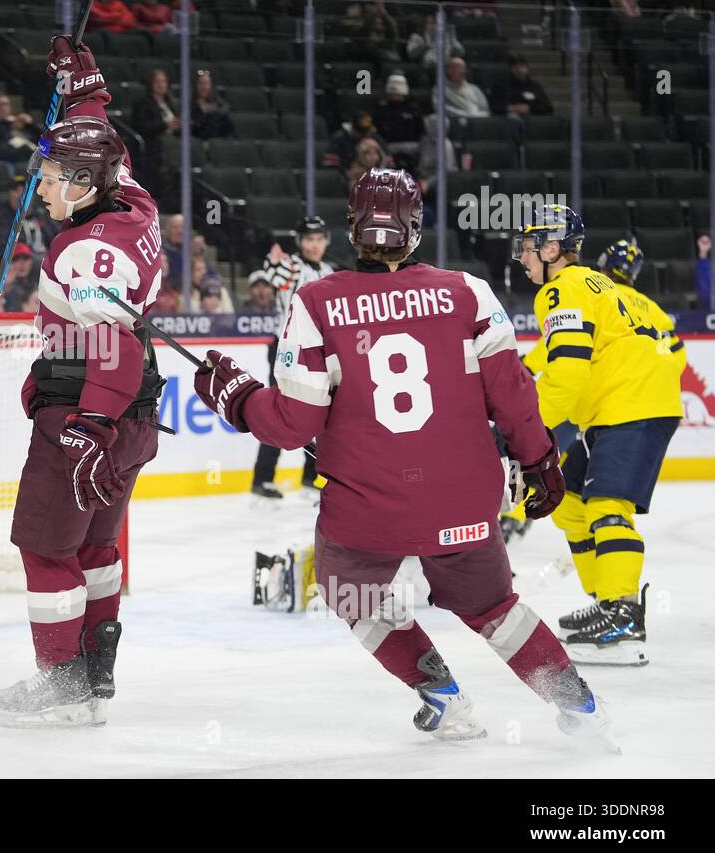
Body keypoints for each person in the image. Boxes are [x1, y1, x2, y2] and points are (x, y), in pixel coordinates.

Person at [195, 169, 613, 746]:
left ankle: (442, 694)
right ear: (415, 229)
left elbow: (293, 425)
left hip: (368, 508)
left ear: (352, 227)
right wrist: (541, 461)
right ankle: (581, 707)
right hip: (465, 497)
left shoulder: (316, 302)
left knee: (348, 590)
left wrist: (236, 396)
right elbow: (515, 397)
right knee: (494, 605)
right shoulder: (469, 290)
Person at [0, 36, 164, 728]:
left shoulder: (87, 251)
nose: (43, 184)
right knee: (94, 547)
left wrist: (88, 426)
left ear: (86, 184)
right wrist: (86, 88)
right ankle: (95, 670)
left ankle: (61, 679)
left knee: (46, 546)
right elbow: (105, 147)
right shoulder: (134, 203)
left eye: (54, 175)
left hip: (84, 416)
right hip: (132, 419)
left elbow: (113, 348)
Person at [512, 209, 683, 667]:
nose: (521, 258)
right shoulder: (600, 286)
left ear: (552, 250)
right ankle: (608, 601)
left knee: (608, 505)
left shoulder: (561, 289)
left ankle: (624, 615)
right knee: (568, 501)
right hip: (623, 405)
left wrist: (520, 431)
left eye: (528, 249)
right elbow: (674, 355)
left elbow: (563, 376)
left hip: (630, 406)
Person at [250, 217, 336, 501]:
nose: (314, 244)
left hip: (317, 351)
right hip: (287, 351)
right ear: (300, 241)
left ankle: (312, 474)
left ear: (326, 241)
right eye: (309, 239)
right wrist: (274, 256)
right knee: (280, 411)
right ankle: (263, 477)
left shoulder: (327, 271)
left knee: (321, 410)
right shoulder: (293, 266)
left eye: (319, 238)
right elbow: (275, 272)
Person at [189, 70, 235, 140]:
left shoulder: (217, 101)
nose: (204, 87)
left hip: (217, 140)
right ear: (195, 86)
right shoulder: (189, 105)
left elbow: (227, 109)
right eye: (201, 83)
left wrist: (214, 110)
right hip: (197, 139)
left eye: (207, 83)